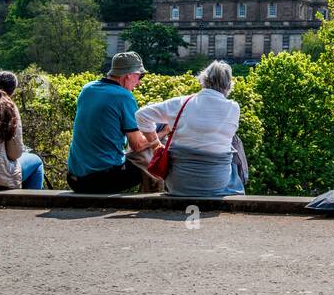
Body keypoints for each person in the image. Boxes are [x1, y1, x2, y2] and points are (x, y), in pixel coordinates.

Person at [134, 60, 246, 197]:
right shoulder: (234, 108)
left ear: (203, 80)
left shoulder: (181, 103)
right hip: (216, 184)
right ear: (228, 85)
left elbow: (141, 115)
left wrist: (155, 144)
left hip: (179, 185)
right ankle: (240, 189)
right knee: (234, 143)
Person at [67, 52, 154, 193]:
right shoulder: (124, 97)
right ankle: (151, 204)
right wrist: (163, 132)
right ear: (129, 75)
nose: (139, 83)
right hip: (102, 180)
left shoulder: (87, 89)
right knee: (154, 157)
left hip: (74, 179)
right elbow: (137, 145)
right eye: (140, 76)